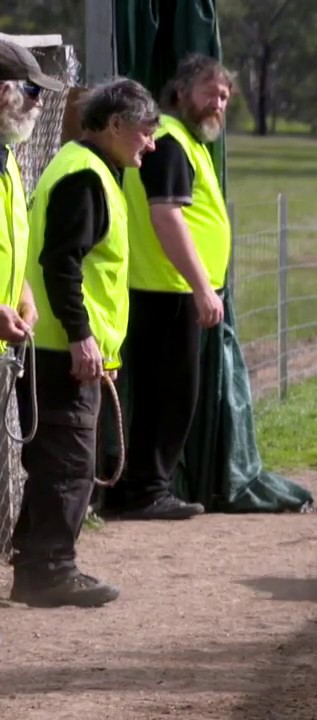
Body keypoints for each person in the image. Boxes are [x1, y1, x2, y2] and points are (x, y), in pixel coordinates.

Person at [9, 77, 158, 608]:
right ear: (115, 125)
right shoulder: (86, 177)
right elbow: (61, 263)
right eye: (146, 130)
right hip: (61, 348)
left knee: (58, 458)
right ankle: (49, 569)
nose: (152, 142)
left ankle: (36, 558)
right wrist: (81, 338)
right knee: (70, 462)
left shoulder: (83, 167)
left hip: (58, 345)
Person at [103, 54, 235, 521]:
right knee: (173, 395)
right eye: (209, 92)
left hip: (168, 288)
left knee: (165, 394)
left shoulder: (188, 142)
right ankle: (147, 490)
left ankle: (135, 486)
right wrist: (202, 288)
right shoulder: (174, 141)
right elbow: (167, 214)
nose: (218, 102)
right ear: (180, 92)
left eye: (224, 95)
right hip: (169, 289)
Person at [0, 39, 63, 563]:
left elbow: (10, 243)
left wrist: (21, 294)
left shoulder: (10, 160)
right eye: (30, 90)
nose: (40, 104)